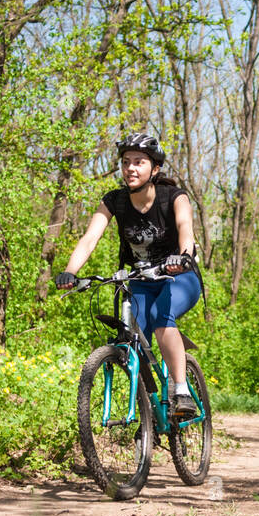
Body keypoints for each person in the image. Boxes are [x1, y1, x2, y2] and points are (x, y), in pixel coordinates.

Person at [55, 133, 203, 418]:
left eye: (139, 162)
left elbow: (186, 230)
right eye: (126, 163)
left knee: (162, 318)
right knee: (133, 338)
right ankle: (150, 418)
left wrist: (183, 257)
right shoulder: (115, 201)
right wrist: (70, 272)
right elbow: (89, 239)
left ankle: (181, 390)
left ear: (155, 168)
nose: (131, 168)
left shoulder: (174, 197)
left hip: (179, 277)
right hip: (141, 279)